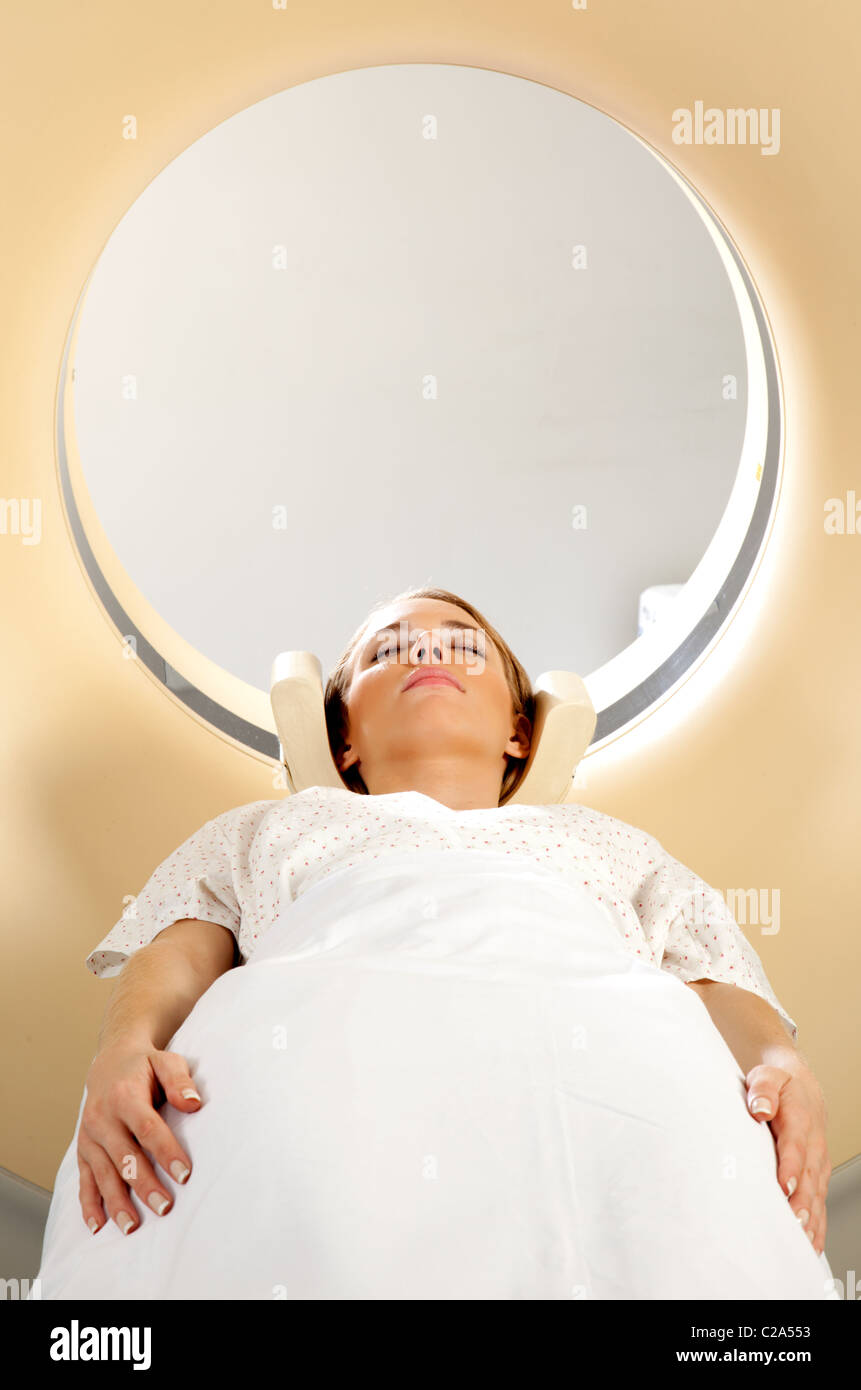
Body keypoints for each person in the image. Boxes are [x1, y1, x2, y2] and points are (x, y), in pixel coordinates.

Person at [34, 586, 835, 1299]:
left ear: (519, 732)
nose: (426, 649)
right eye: (389, 648)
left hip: (606, 1069)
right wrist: (125, 1045)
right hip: (314, 1077)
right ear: (343, 737)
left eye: (462, 643)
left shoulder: (605, 843)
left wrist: (779, 1063)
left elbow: (710, 974)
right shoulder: (270, 830)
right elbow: (178, 950)